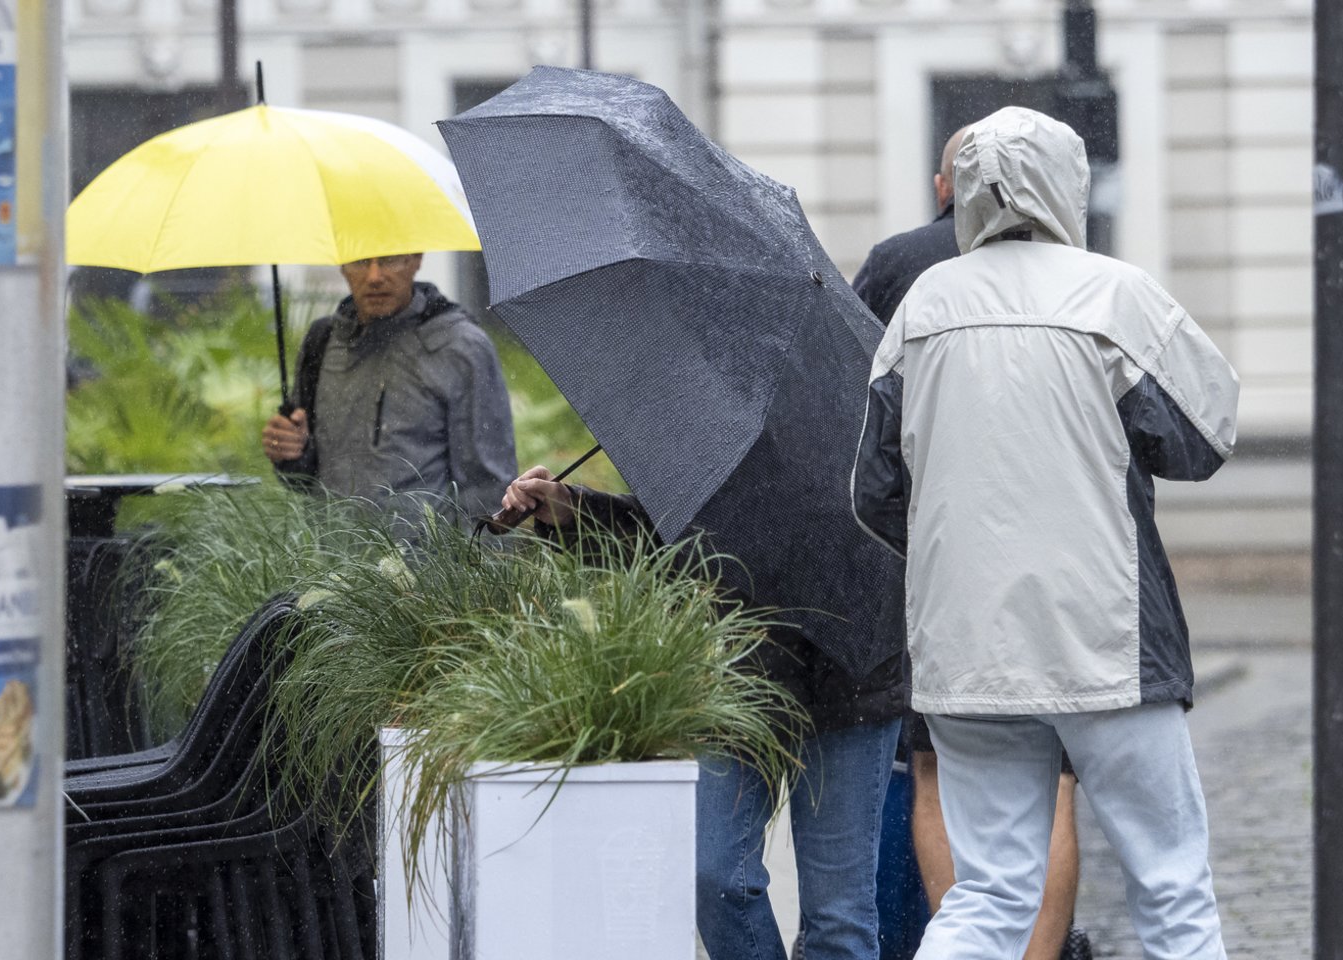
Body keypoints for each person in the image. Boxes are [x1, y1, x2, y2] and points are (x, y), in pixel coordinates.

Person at [852, 106, 1237, 959]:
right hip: (1108, 641)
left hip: (966, 653)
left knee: (985, 896)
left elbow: (875, 491)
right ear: (1068, 184)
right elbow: (1202, 439)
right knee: (1171, 885)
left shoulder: (921, 307)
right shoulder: (1112, 292)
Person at [500, 469, 907, 960]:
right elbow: (673, 528)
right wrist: (573, 509)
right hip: (736, 670)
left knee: (838, 918)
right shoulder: (726, 411)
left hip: (854, 676)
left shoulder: (881, 397)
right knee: (712, 876)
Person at [854, 125, 1086, 960]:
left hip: (941, 562)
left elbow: (864, 415)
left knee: (937, 775)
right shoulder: (1080, 274)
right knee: (1053, 783)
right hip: (1056, 558)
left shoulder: (898, 268)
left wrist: (906, 537)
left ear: (943, 183)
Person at [261, 253, 517, 525]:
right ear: (342, 265)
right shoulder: (323, 339)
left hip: (428, 562)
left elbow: (487, 486)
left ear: (416, 259)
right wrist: (291, 453)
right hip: (332, 561)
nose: (374, 277)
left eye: (389, 259)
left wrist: (479, 563)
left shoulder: (461, 348)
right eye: (360, 261)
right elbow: (304, 480)